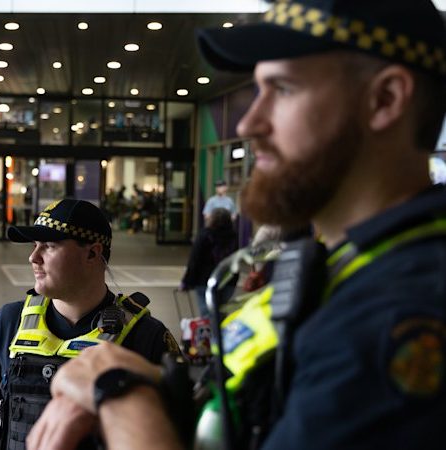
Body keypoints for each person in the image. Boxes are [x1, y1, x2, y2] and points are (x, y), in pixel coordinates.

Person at [26, 1, 446, 449]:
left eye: (283, 89)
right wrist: (162, 391)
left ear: (385, 99)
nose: (249, 122)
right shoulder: (347, 266)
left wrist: (119, 394)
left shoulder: (404, 309)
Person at [0, 198, 181, 450]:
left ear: (92, 253)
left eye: (49, 246)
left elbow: (180, 426)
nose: (33, 257)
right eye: (35, 245)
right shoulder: (9, 321)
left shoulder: (146, 336)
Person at [179, 207, 238, 315]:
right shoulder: (233, 236)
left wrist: (186, 282)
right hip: (228, 280)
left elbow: (195, 260)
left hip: (205, 280)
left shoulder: (205, 235)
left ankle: (210, 326)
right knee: (221, 311)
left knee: (207, 313)